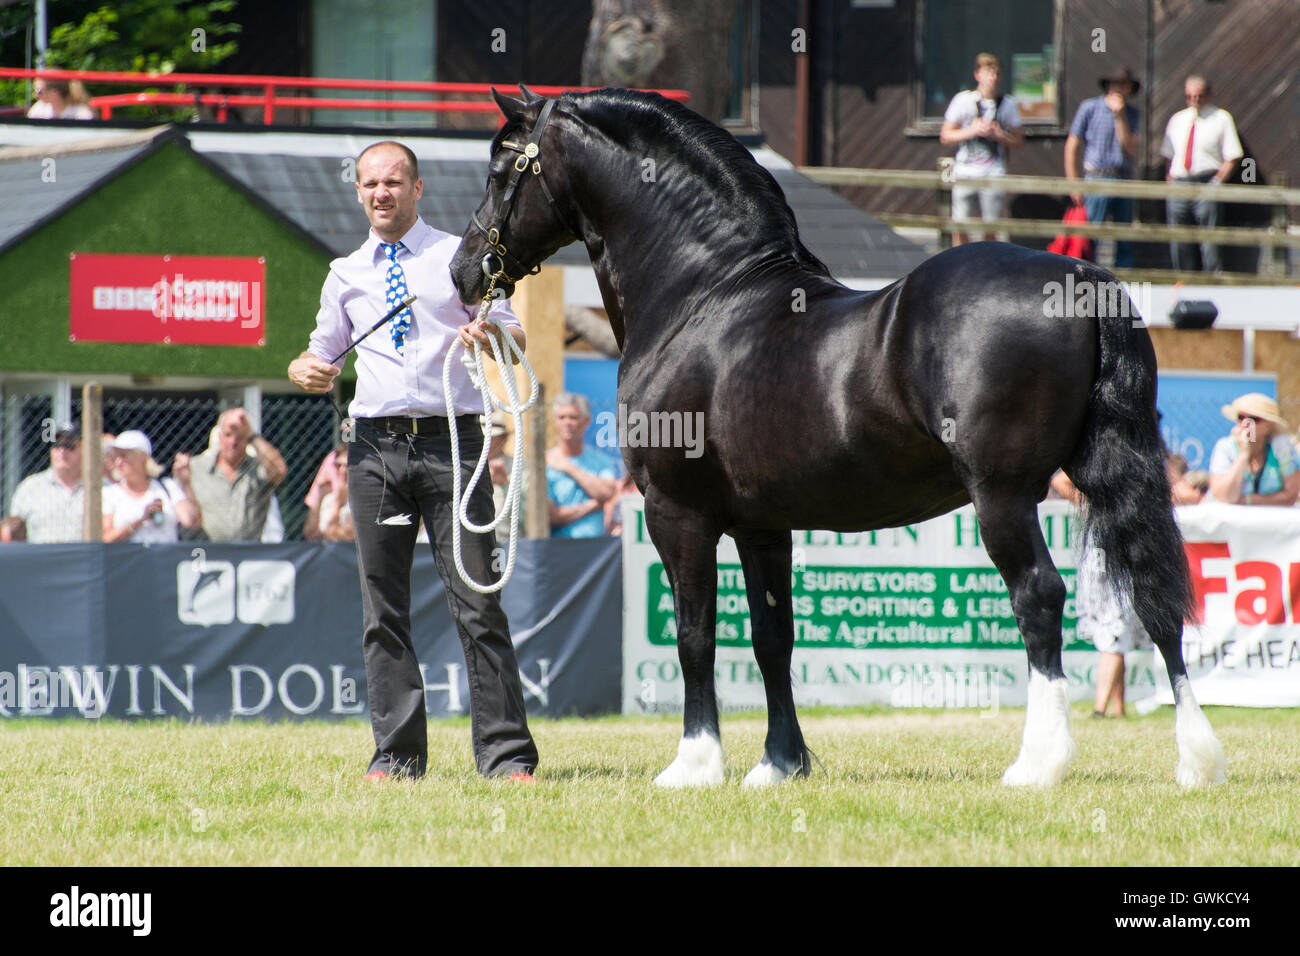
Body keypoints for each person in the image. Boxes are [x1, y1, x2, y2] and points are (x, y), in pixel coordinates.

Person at [287, 139, 538, 782]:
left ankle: (507, 757)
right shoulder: (345, 274)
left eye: (394, 182)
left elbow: (514, 333)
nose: (381, 193)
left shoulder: (459, 255)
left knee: (477, 599)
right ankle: (396, 757)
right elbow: (321, 354)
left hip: (453, 442)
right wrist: (305, 369)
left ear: (417, 189)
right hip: (372, 451)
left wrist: (494, 334)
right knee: (383, 607)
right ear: (359, 191)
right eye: (370, 183)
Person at [1052, 470, 1152, 718]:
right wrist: (1093, 504)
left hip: (1123, 552)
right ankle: (1106, 709)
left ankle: (1111, 709)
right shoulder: (1103, 457)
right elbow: (1059, 480)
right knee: (1114, 634)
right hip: (1104, 558)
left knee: (1118, 634)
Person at [1160, 75, 1243, 274]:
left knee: (1209, 238)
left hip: (1206, 181)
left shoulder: (1221, 118)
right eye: (1190, 96)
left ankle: (1211, 281)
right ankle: (1183, 279)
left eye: (1199, 95)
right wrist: (1169, 178)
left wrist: (1216, 182)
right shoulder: (1178, 119)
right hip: (1180, 183)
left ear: (1208, 95)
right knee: (1179, 237)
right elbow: (1168, 155)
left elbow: (1232, 156)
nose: (1195, 100)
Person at [939, 52, 1025, 245]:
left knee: (991, 227)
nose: (992, 78)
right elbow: (946, 135)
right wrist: (972, 130)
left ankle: (988, 268)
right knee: (960, 225)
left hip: (993, 173)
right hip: (965, 171)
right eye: (988, 72)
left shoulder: (1007, 104)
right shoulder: (963, 100)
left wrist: (999, 135)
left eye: (996, 74)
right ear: (977, 74)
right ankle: (960, 264)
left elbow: (1019, 141)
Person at [1064, 66, 1141, 269]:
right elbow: (1072, 145)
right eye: (1115, 84)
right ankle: (1087, 281)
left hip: (1123, 177)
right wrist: (1074, 183)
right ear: (1108, 86)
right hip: (1096, 177)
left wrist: (1120, 116)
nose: (1119, 89)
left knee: (1124, 237)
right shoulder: (1089, 107)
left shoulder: (1132, 114)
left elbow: (1130, 149)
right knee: (1091, 236)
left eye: (1124, 85)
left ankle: (1124, 280)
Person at [187, 408, 287, 541]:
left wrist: (252, 435)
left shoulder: (257, 469)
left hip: (248, 554)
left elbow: (279, 471)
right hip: (206, 554)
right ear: (219, 436)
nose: (233, 442)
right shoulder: (196, 467)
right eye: (228, 435)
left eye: (239, 437)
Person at [102, 430, 202, 543]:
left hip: (166, 558)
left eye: (124, 456)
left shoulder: (167, 487)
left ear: (142, 457)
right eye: (116, 457)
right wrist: (140, 520)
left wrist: (186, 484)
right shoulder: (109, 494)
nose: (118, 462)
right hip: (128, 560)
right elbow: (106, 539)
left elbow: (192, 522)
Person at [547, 392, 620, 538]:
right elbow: (551, 516)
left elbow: (607, 493)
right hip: (557, 548)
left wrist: (569, 468)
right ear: (555, 421)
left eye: (573, 417)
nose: (567, 422)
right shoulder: (546, 461)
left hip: (596, 552)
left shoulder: (601, 461)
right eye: (561, 417)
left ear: (586, 421)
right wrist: (594, 505)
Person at [1207, 393, 1300, 505]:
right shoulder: (1225, 447)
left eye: (1254, 419)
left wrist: (1248, 500)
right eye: (1241, 417)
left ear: (1268, 426)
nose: (1245, 424)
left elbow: (1290, 496)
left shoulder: (1282, 447)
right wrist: (1244, 454)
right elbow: (1224, 497)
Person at [8, 425, 86, 542]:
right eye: (56, 445)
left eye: (69, 446)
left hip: (83, 559)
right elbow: (12, 532)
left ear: (83, 449)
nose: (62, 451)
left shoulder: (99, 488)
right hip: (41, 559)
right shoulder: (30, 487)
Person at [485, 412, 526, 545]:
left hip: (508, 541)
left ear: (503, 438)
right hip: (470, 540)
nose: (486, 442)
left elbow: (527, 515)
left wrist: (505, 485)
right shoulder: (462, 467)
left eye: (492, 437)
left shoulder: (521, 467)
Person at [318, 445, 354, 542]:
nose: (342, 470)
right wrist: (338, 502)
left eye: (347, 466)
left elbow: (348, 534)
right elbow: (329, 536)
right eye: (339, 465)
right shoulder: (329, 500)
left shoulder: (366, 498)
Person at [27, 79, 94, 120]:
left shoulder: (80, 112)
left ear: (54, 92)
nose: (36, 96)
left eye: (39, 92)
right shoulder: (40, 108)